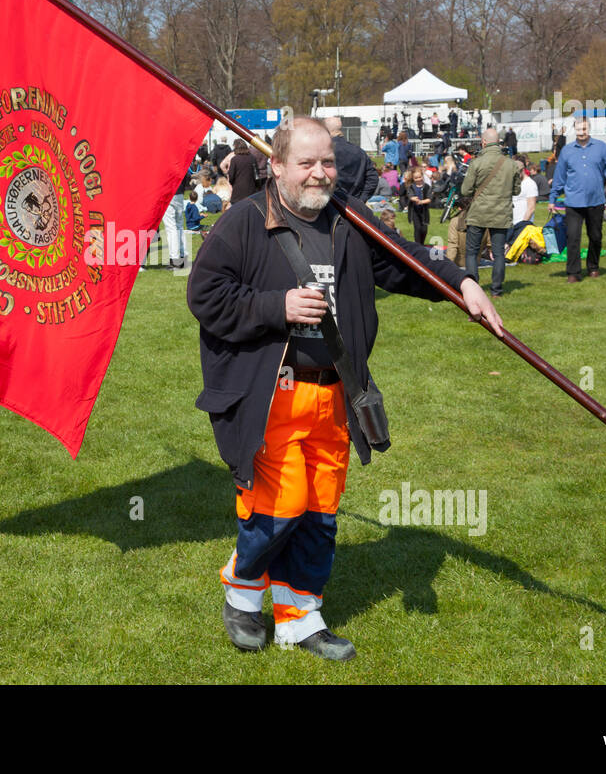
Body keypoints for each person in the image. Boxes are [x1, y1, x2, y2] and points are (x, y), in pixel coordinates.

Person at [186, 116, 499, 660]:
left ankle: (299, 617)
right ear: (277, 166)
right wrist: (274, 307)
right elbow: (206, 295)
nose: (318, 173)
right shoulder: (241, 222)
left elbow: (408, 264)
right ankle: (243, 590)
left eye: (327, 161)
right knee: (279, 508)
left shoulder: (351, 223)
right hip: (271, 396)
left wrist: (461, 283)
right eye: (305, 163)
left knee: (320, 512)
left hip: (335, 395)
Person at [550, 118, 606, 282]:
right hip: (573, 202)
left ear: (589, 129)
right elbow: (559, 176)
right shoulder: (567, 151)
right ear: (574, 130)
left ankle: (593, 266)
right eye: (578, 129)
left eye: (584, 129)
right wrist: (552, 198)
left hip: (595, 201)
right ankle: (573, 273)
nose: (581, 133)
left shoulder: (601, 148)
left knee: (595, 236)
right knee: (573, 237)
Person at [461, 129, 524, 297]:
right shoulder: (511, 164)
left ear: (483, 142)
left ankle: (473, 288)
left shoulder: (476, 163)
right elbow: (517, 190)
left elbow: (465, 190)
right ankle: (497, 290)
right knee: (498, 253)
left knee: (472, 252)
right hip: (501, 213)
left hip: (478, 213)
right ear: (499, 143)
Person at [321, 116, 378, 203]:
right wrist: (361, 199)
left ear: (326, 131)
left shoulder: (324, 151)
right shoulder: (360, 152)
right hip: (354, 202)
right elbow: (372, 178)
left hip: (331, 203)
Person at [403, 165, 431, 245]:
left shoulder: (427, 187)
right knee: (417, 228)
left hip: (424, 211)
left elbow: (429, 198)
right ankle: (418, 244)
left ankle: (422, 243)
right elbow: (410, 195)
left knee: (424, 229)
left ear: (422, 176)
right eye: (416, 178)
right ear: (413, 178)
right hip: (415, 210)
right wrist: (413, 199)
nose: (418, 179)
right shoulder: (411, 187)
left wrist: (422, 202)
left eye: (420, 177)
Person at [511, 155, 538, 233]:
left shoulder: (530, 184)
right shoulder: (513, 182)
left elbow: (531, 208)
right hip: (510, 225)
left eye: (517, 173)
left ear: (522, 170)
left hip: (522, 226)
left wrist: (521, 226)